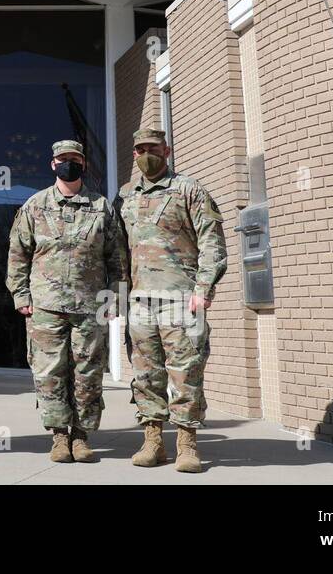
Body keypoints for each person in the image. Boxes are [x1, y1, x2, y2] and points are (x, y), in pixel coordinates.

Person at [115, 127, 227, 473]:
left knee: (185, 373)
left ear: (166, 149)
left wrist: (203, 289)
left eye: (151, 147)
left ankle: (187, 444)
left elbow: (212, 241)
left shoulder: (189, 190)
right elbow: (118, 251)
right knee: (146, 376)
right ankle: (153, 442)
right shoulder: (125, 196)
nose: (144, 154)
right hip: (140, 301)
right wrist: (119, 298)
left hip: (182, 299)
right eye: (139, 149)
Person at [7, 139, 125, 463]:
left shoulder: (102, 207)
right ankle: (59, 436)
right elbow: (18, 254)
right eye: (62, 159)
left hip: (91, 305)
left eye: (73, 159)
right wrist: (20, 295)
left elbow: (117, 259)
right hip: (45, 305)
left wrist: (117, 300)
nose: (67, 164)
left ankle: (82, 435)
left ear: (83, 164)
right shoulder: (34, 205)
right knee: (49, 373)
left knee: (88, 373)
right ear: (52, 164)